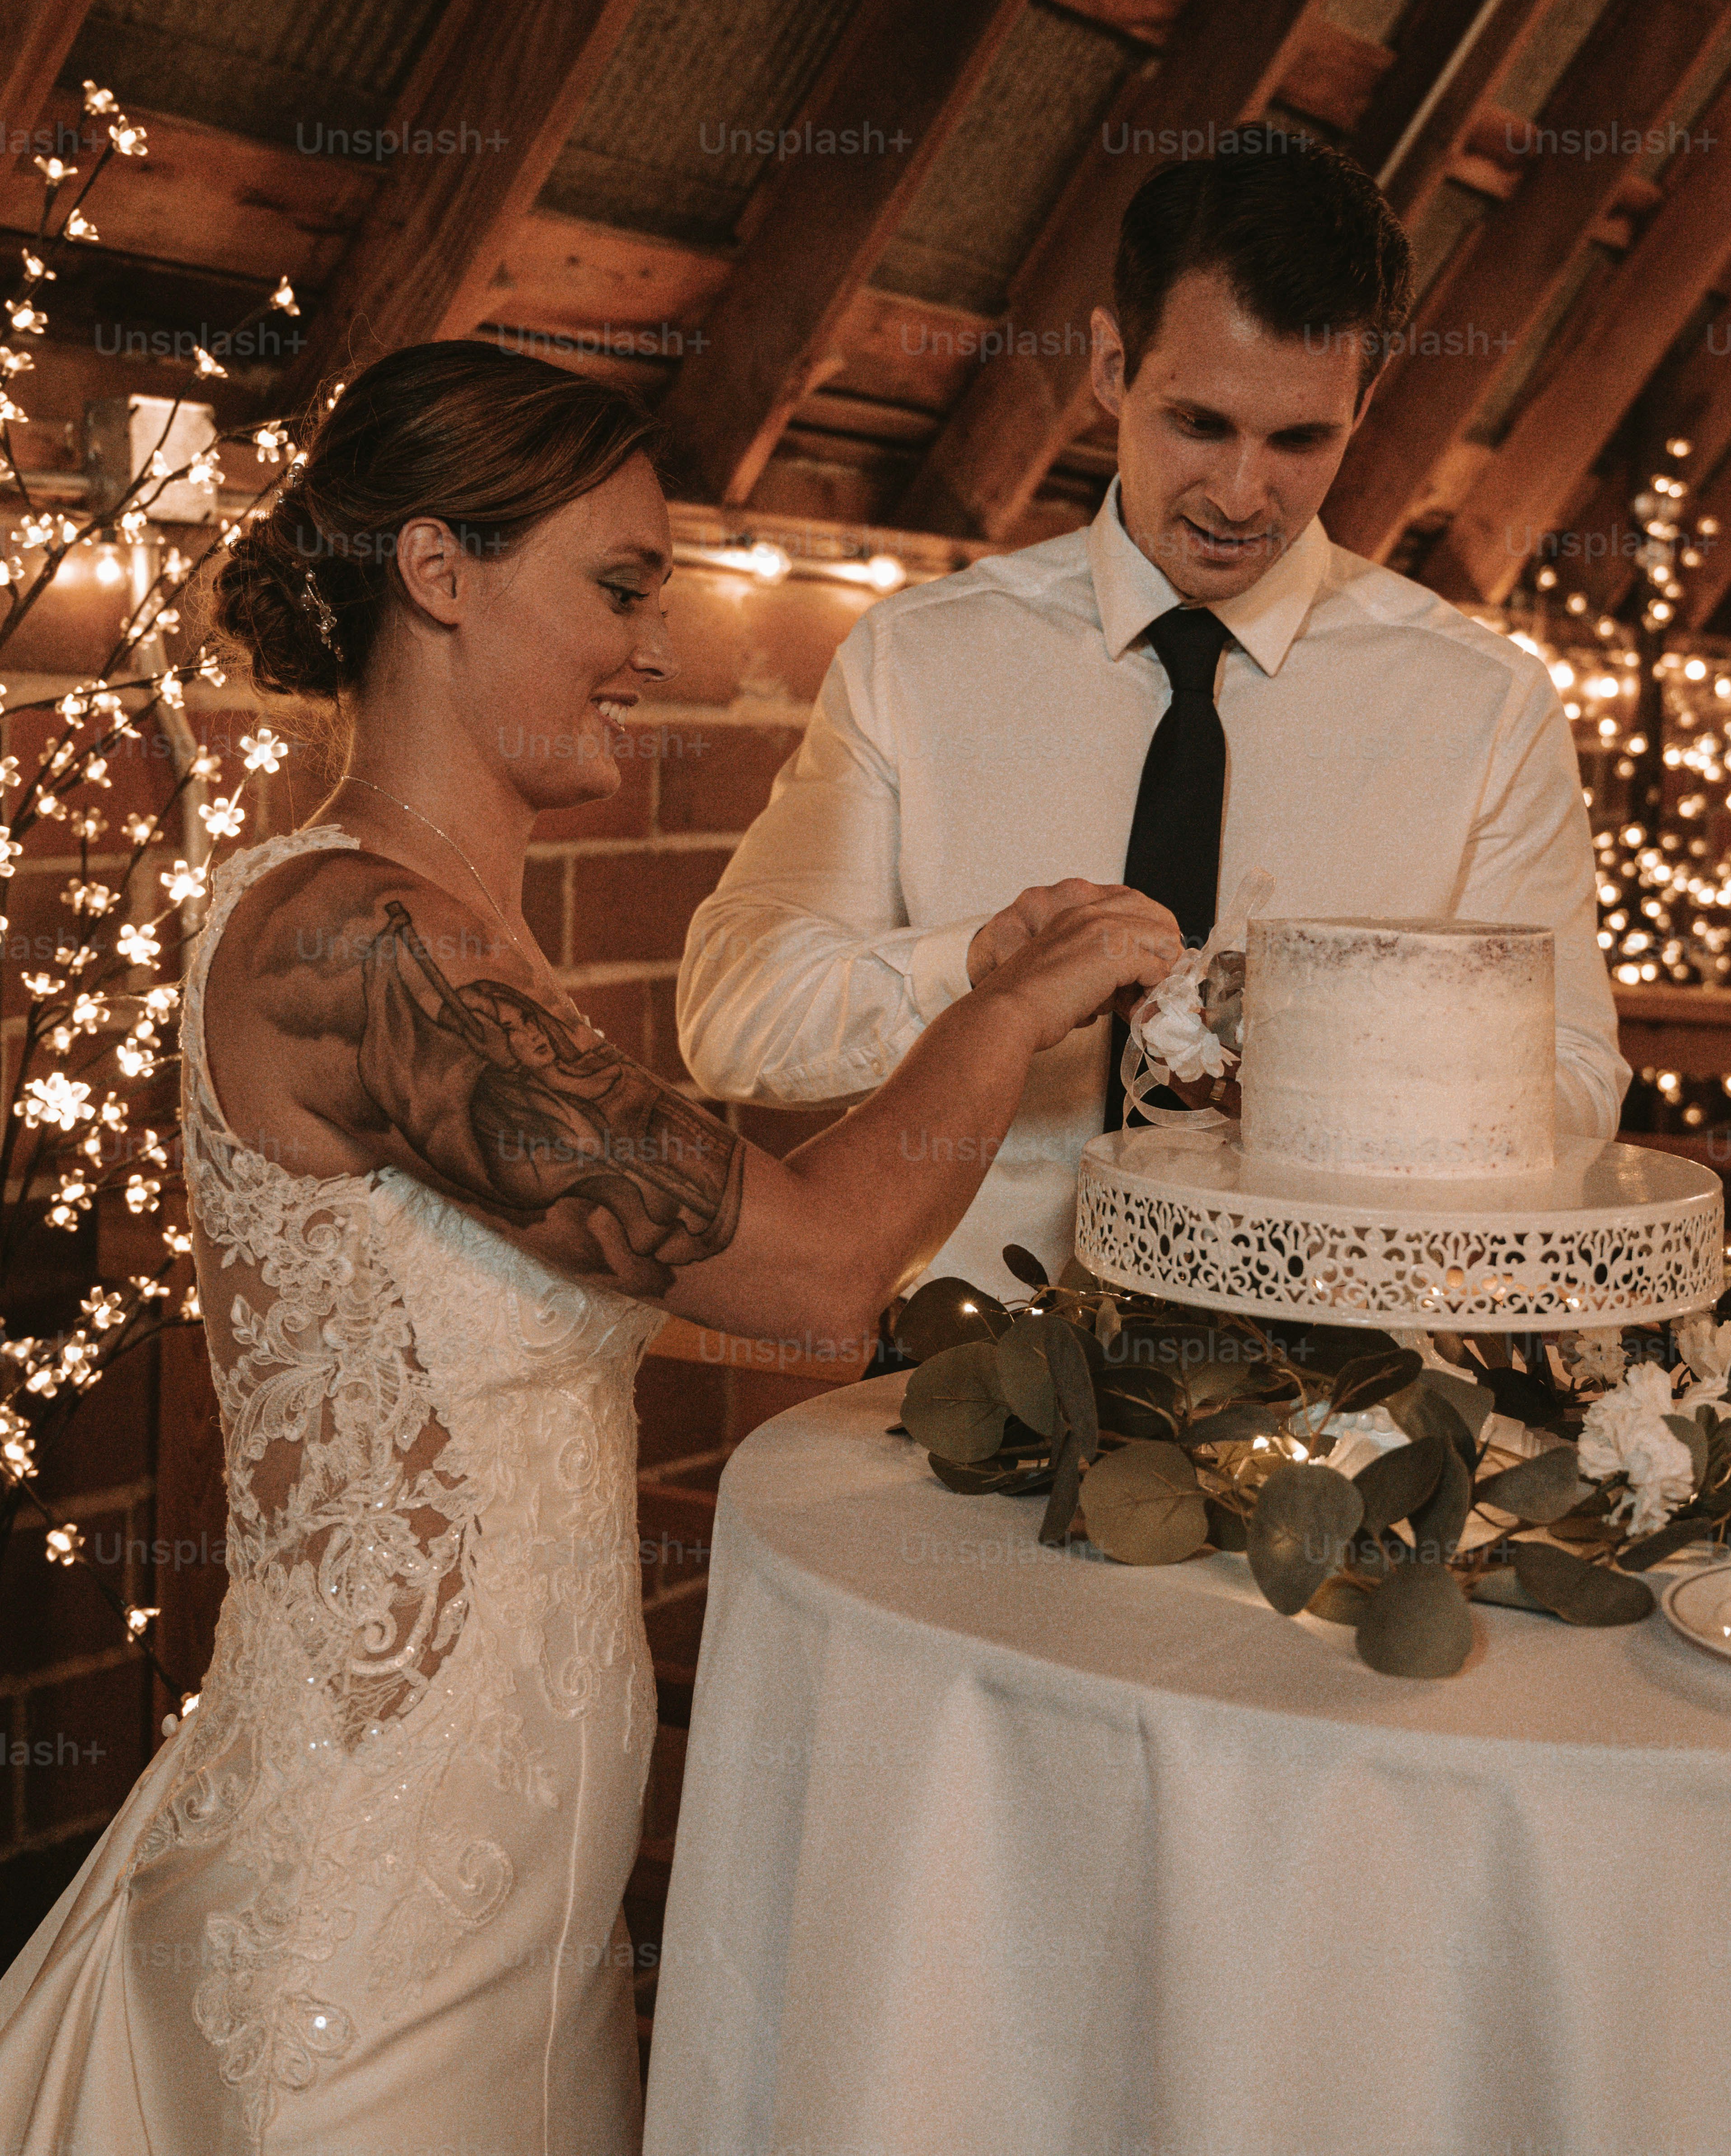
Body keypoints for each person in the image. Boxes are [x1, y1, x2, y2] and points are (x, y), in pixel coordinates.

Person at [0, 343, 1179, 2156]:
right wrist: (1010, 1004)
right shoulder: (354, 946)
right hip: (363, 1933)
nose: (650, 647)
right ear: (437, 569)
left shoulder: (463, 934)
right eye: (618, 588)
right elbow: (799, 1272)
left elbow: (596, 1312)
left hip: (519, 1913)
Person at [677, 130, 1630, 1304]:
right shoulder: (917, 659)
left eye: (1300, 440)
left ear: (1363, 402)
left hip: (1337, 1406)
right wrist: (983, 969)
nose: (1242, 494)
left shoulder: (1485, 706)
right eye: (1201, 423)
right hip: (955, 1380)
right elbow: (732, 1010)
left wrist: (1315, 1065)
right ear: (1111, 365)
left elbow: (1579, 1080)